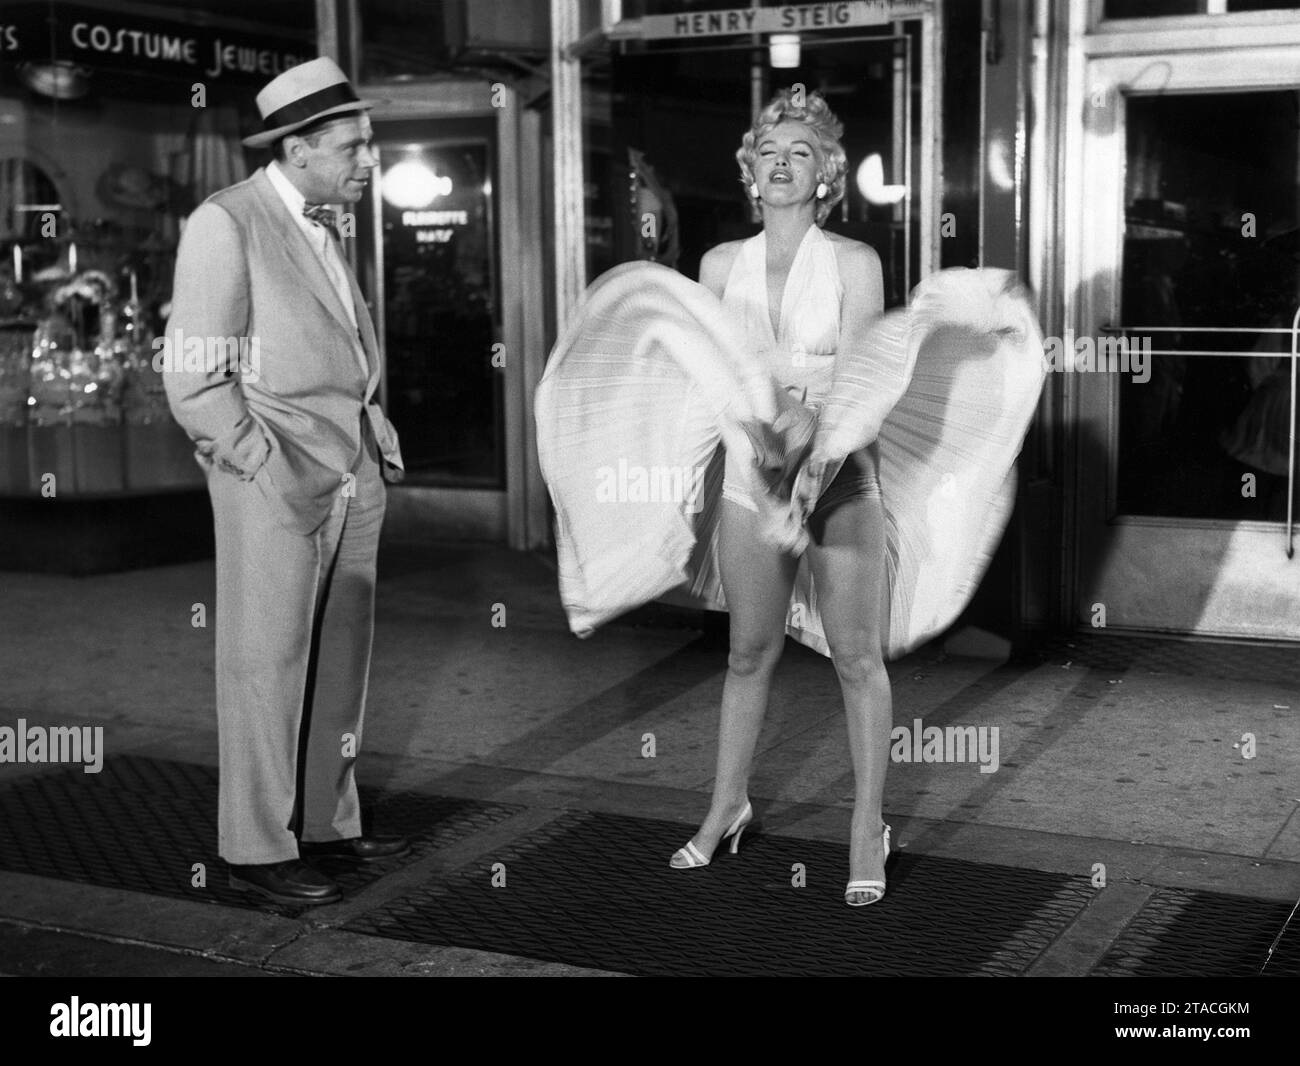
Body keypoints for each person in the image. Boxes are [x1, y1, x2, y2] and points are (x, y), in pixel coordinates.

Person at [164, 57, 408, 905]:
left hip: (353, 474)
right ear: (299, 148)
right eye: (354, 146)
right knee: (265, 666)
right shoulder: (225, 222)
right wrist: (256, 460)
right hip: (275, 479)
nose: (368, 160)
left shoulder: (325, 221)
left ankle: (325, 827)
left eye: (368, 142)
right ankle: (257, 851)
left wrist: (370, 441)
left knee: (340, 662)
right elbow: (194, 375)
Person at [667, 89, 893, 906]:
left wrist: (811, 428)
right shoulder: (719, 265)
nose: (783, 163)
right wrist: (756, 438)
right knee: (745, 654)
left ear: (826, 173)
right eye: (769, 152)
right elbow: (710, 376)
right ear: (749, 171)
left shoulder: (856, 264)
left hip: (839, 480)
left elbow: (865, 381)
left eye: (801, 152)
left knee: (857, 658)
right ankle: (727, 804)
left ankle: (867, 827)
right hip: (749, 478)